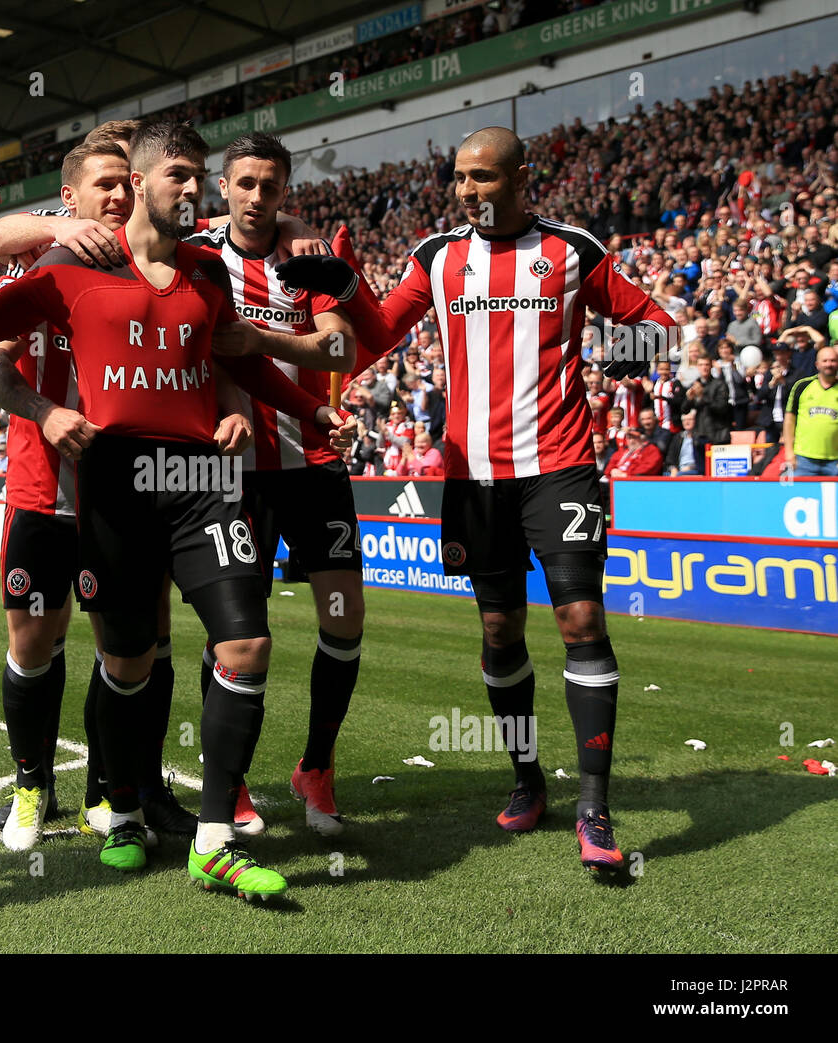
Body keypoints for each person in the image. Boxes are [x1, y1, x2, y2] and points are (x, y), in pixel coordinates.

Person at [0, 119, 351, 899]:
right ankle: (117, 801)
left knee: (246, 643)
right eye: (179, 175)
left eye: (200, 175)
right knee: (121, 660)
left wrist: (307, 408)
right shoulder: (65, 264)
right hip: (110, 483)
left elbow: (228, 355)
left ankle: (212, 837)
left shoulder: (208, 269)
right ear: (136, 183)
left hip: (202, 481)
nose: (195, 188)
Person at [278, 125, 679, 873]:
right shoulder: (436, 257)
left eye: (484, 177)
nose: (468, 189)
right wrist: (340, 288)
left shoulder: (573, 250)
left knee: (581, 616)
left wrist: (613, 358)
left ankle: (595, 805)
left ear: (522, 178)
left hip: (559, 465)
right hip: (470, 474)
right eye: (460, 177)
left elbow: (657, 326)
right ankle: (528, 780)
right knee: (499, 631)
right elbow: (372, 339)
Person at [183, 132, 365, 839]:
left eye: (272, 185)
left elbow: (342, 346)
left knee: (344, 619)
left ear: (286, 190)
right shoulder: (195, 251)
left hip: (315, 463)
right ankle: (226, 783)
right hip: (234, 472)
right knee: (235, 631)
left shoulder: (306, 257)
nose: (259, 197)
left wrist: (261, 341)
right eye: (246, 183)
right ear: (222, 186)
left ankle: (315, 766)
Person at [783, 346, 838, 475]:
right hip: (803, 460)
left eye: (833, 360)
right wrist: (789, 453)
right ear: (817, 364)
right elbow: (789, 421)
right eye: (825, 361)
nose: (829, 364)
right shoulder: (802, 386)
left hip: (834, 461)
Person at [664, 409, 707, 475]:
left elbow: (703, 461)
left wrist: (690, 467)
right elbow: (670, 458)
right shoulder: (678, 437)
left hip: (695, 470)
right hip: (678, 470)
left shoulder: (701, 438)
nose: (687, 422)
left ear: (695, 421)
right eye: (684, 420)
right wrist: (673, 468)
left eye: (690, 419)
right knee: (665, 475)